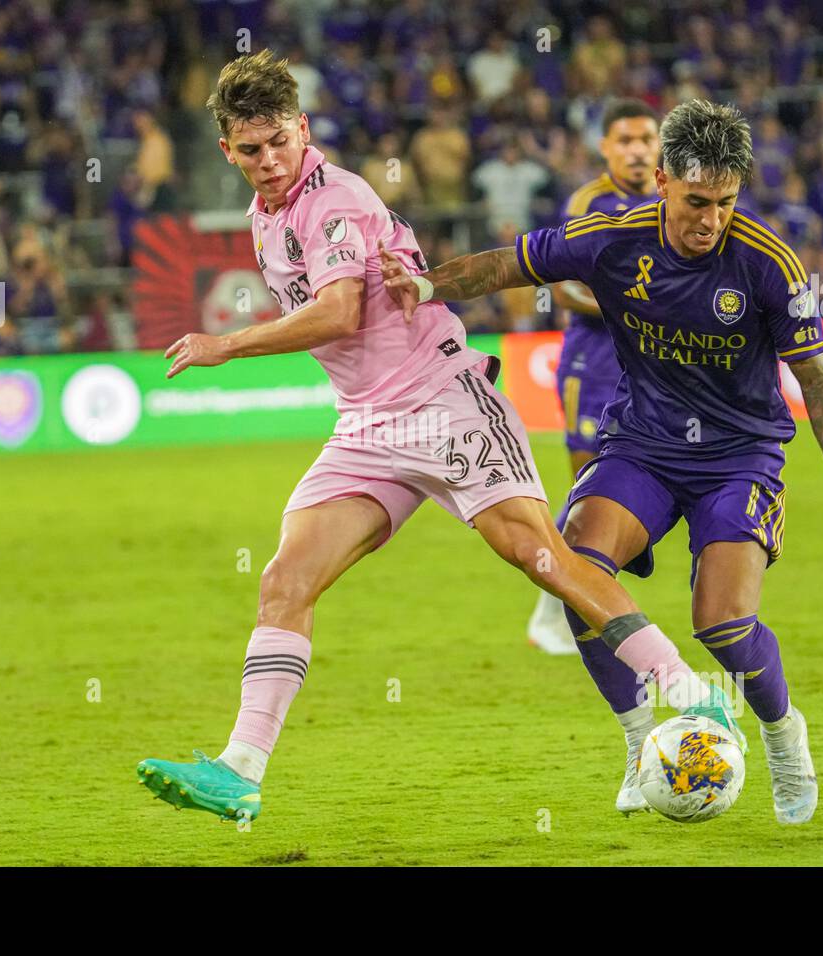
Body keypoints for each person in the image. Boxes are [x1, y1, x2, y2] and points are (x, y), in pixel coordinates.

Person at [136, 52, 741, 824]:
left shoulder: (336, 200)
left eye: (280, 141)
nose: (268, 161)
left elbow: (339, 312)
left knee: (541, 555)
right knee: (285, 580)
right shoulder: (266, 217)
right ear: (227, 150)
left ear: (304, 130)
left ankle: (694, 697)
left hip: (442, 398)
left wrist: (228, 343)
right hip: (365, 424)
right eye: (250, 150)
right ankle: (240, 770)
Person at [382, 99, 823, 824]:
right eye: (696, 201)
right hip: (644, 448)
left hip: (740, 458)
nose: (710, 220)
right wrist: (428, 283)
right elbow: (506, 264)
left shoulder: (767, 262)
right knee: (575, 574)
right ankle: (638, 739)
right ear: (662, 181)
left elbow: (817, 377)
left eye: (725, 203)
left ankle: (784, 735)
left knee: (721, 626)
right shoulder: (610, 238)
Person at [528, 98, 660, 656]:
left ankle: (586, 599)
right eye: (625, 141)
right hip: (594, 359)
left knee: (631, 480)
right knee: (589, 486)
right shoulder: (590, 203)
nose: (636, 150)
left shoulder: (670, 200)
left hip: (646, 363)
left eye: (645, 139)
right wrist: (629, 305)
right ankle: (554, 608)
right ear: (605, 148)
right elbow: (563, 286)